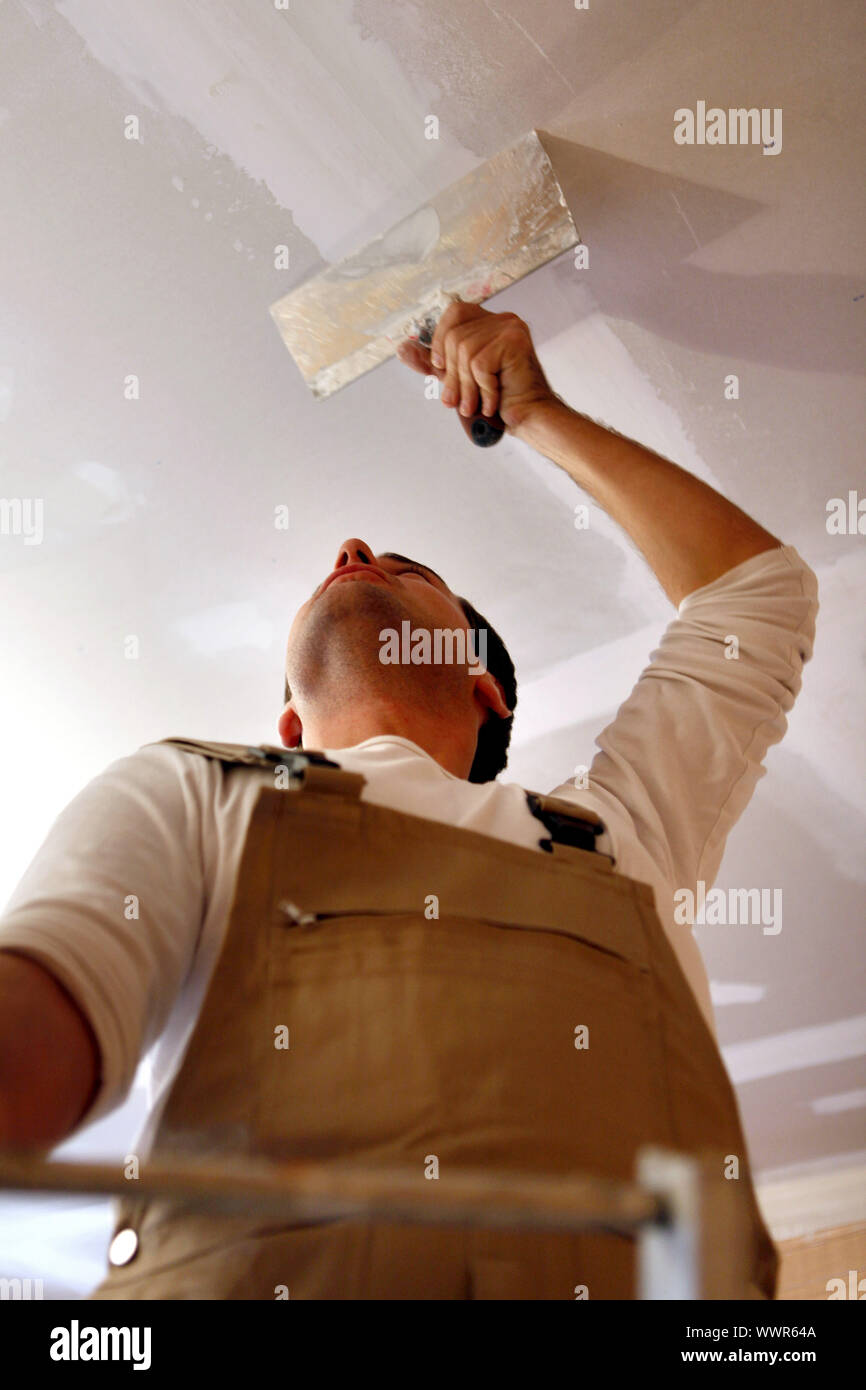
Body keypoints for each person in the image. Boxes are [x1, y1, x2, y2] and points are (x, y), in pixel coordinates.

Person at [0, 303, 818, 1299]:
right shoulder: (195, 795)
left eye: (408, 570)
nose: (350, 545)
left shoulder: (615, 831)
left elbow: (755, 599)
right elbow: (30, 1044)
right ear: (287, 728)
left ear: (483, 686)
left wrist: (539, 413)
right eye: (355, 562)